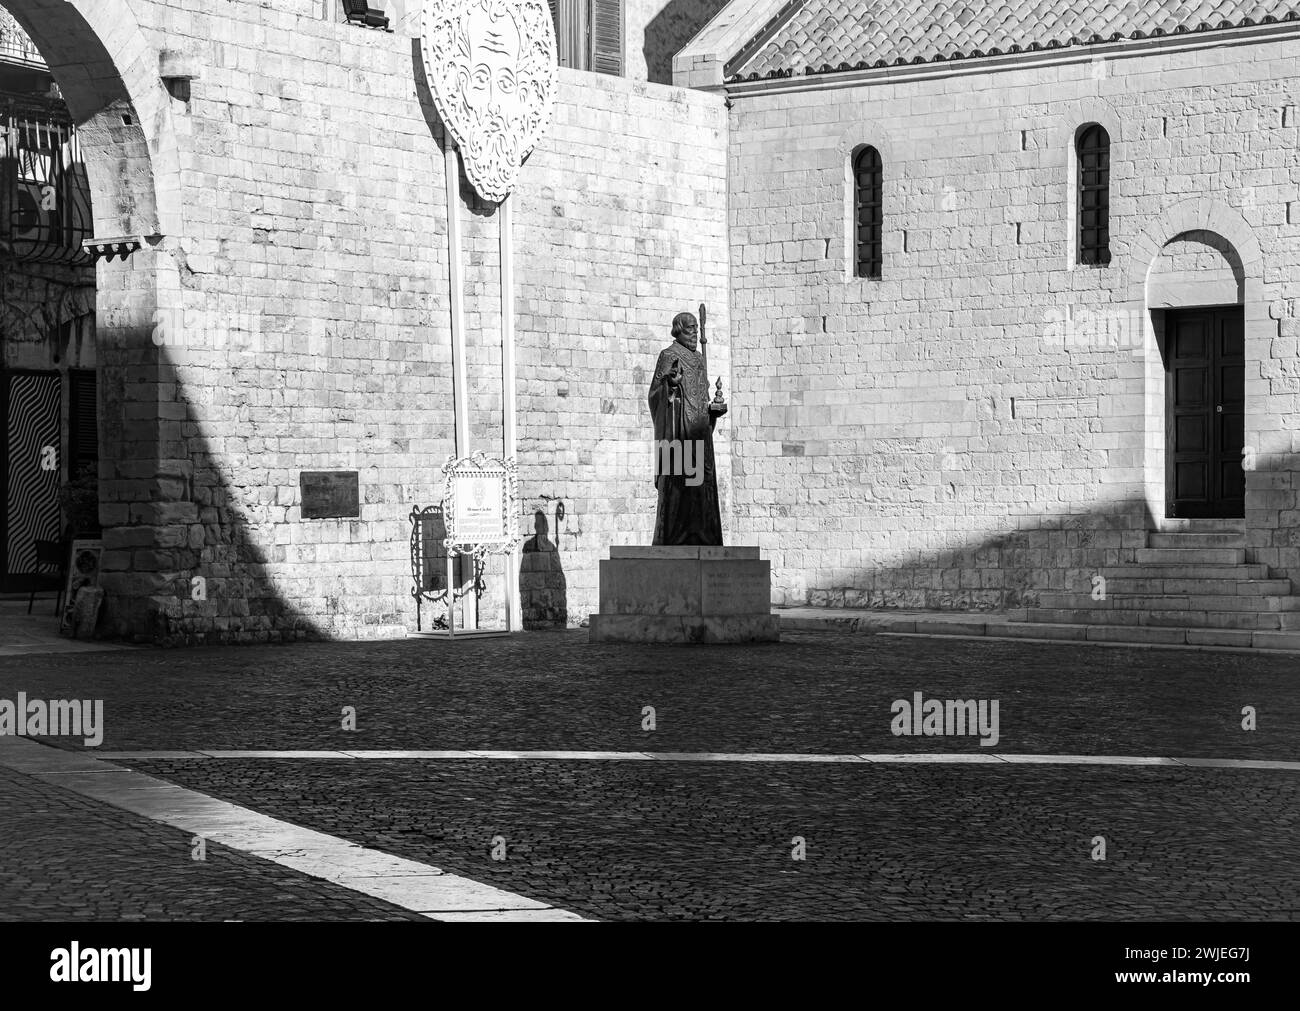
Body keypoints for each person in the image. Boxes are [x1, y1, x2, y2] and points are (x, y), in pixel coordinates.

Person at [647, 311, 727, 545]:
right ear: (678, 330)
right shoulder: (668, 356)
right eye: (689, 328)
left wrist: (714, 409)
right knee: (681, 483)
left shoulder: (700, 359)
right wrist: (670, 387)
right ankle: (677, 537)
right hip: (678, 432)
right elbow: (655, 395)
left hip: (700, 432)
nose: (694, 333)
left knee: (702, 484)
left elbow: (702, 394)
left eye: (695, 328)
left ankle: (703, 535)